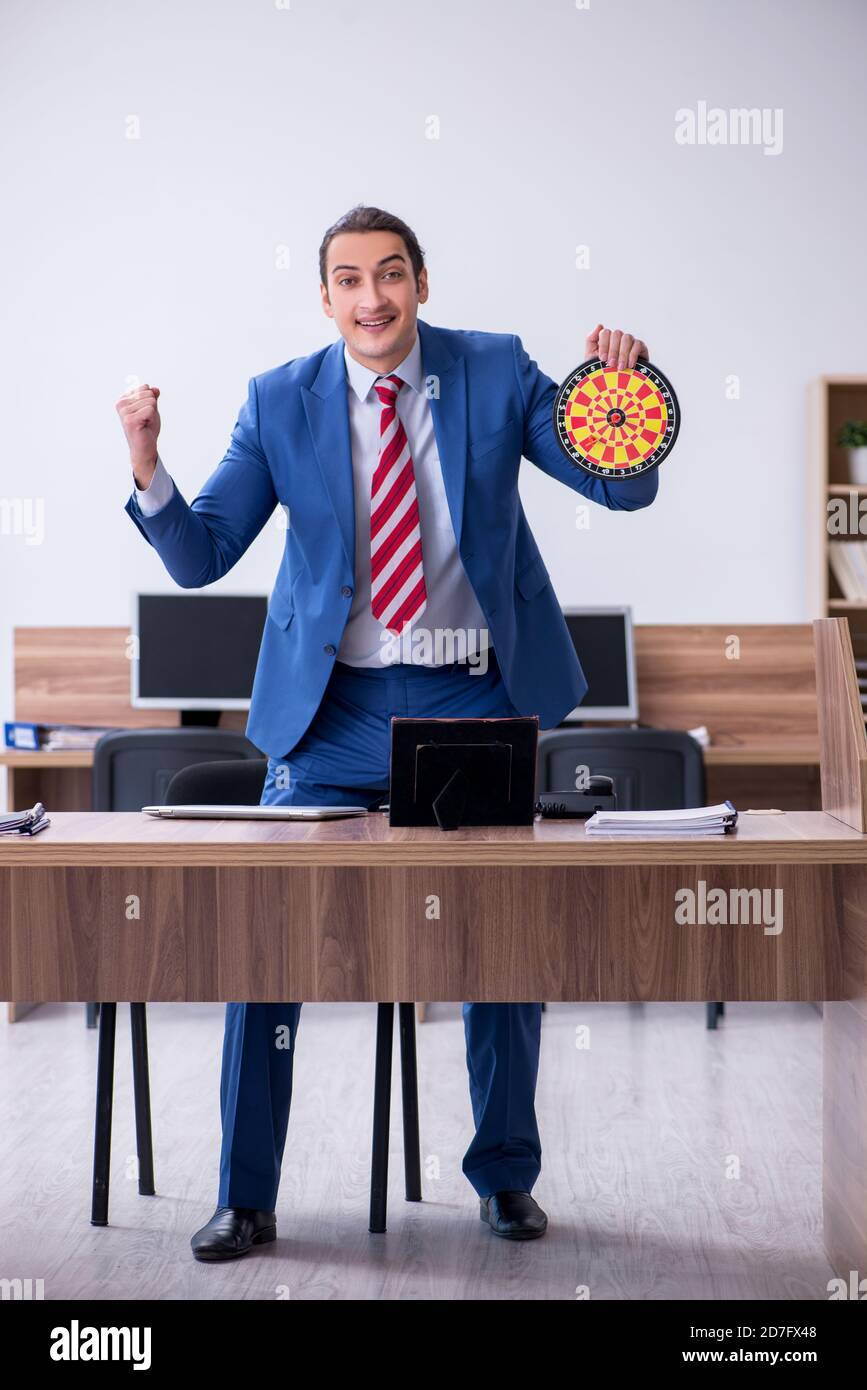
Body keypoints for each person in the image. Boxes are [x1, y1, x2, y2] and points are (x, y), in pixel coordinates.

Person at [117, 204, 658, 1260]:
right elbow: (201, 553)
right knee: (264, 934)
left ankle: (505, 1175)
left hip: (473, 703)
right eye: (351, 279)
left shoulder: (496, 371)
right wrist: (147, 462)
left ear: (421, 283)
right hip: (333, 716)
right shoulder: (283, 400)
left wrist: (623, 393)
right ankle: (245, 1192)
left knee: (500, 942)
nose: (374, 298)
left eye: (393, 274)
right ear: (326, 298)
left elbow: (622, 484)